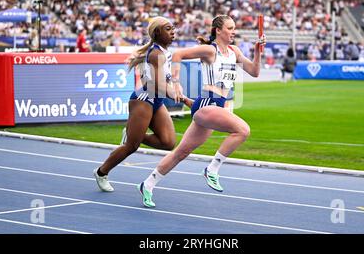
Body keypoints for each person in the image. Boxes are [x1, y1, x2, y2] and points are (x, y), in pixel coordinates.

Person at [137, 14, 266, 208]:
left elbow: (255, 72)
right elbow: (178, 54)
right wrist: (176, 82)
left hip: (216, 107)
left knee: (181, 152)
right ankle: (212, 169)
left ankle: (147, 184)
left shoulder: (235, 51)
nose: (233, 32)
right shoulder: (210, 50)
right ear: (218, 30)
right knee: (242, 130)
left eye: (234, 28)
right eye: (230, 28)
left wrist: (258, 51)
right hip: (207, 104)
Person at [93, 16, 192, 192]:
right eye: (168, 29)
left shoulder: (164, 52)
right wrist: (182, 98)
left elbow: (167, 79)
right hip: (143, 101)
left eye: (173, 28)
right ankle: (101, 172)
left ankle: (131, 133)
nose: (173, 32)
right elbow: (158, 85)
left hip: (157, 101)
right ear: (157, 33)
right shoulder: (156, 54)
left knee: (168, 142)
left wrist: (176, 84)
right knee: (132, 146)